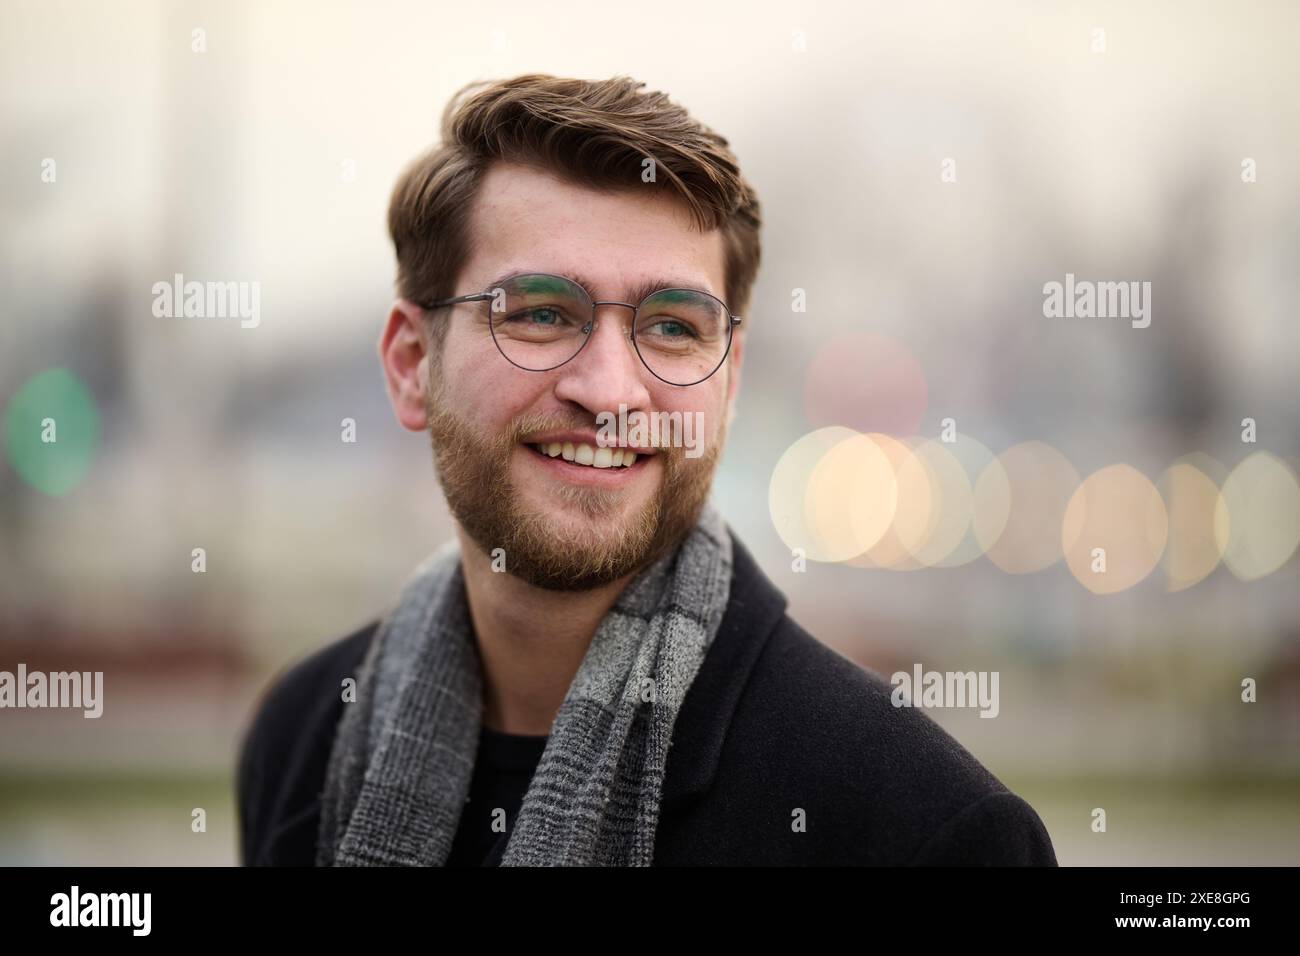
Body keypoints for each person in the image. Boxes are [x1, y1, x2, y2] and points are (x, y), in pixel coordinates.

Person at [236, 73, 1058, 867]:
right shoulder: (301, 738)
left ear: (729, 382)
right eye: (544, 314)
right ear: (413, 364)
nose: (611, 394)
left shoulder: (919, 831)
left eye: (671, 327)